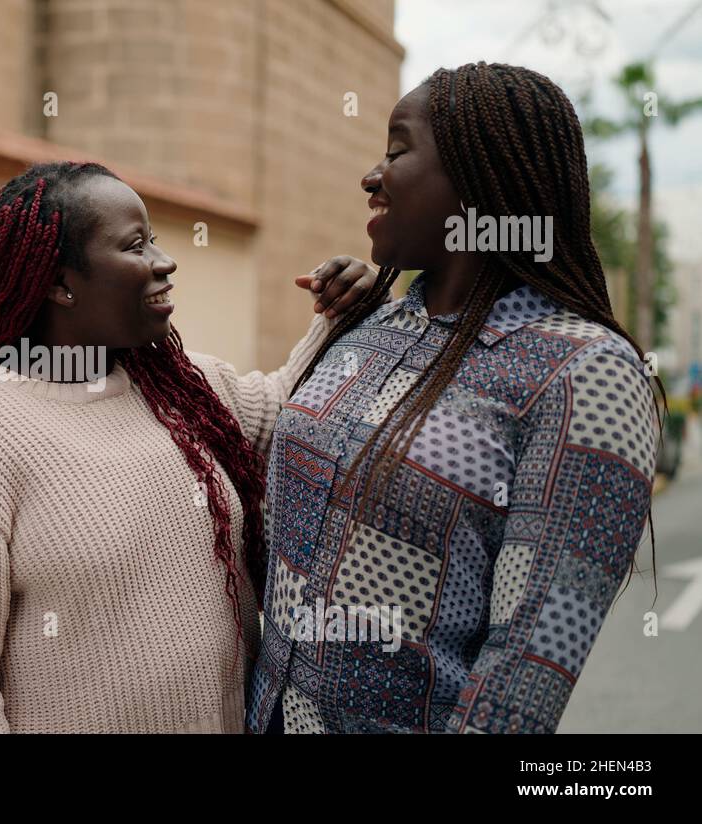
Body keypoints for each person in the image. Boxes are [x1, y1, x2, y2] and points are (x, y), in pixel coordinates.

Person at [0, 161, 377, 732]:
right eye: (135, 245)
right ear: (59, 283)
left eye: (156, 239)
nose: (164, 261)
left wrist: (343, 313)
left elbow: (288, 414)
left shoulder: (185, 388)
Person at [247, 63, 661, 734]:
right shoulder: (365, 329)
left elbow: (522, 682)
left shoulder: (585, 372)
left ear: (480, 175)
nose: (371, 176)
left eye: (397, 149)